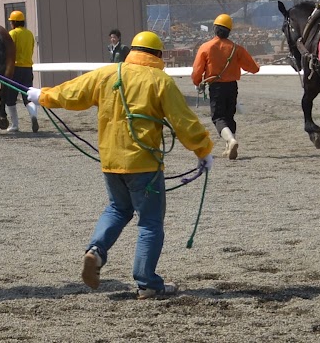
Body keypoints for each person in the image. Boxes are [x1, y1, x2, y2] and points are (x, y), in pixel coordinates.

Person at [23, 31, 214, 299]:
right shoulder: (160, 80)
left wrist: (42, 95)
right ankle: (147, 282)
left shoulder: (108, 74)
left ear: (132, 50)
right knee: (149, 222)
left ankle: (96, 251)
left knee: (117, 209)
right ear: (158, 55)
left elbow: (72, 92)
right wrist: (203, 150)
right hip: (144, 164)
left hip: (111, 161)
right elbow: (183, 121)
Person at [191, 14, 259, 160]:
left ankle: (230, 141)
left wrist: (197, 82)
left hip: (216, 87)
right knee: (229, 116)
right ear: (229, 31)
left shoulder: (206, 47)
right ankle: (229, 148)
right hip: (232, 86)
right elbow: (253, 68)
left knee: (218, 118)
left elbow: (197, 71)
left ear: (214, 29)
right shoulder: (236, 48)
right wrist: (255, 67)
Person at [5, 10, 39, 132]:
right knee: (28, 97)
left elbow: (8, 51)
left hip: (15, 69)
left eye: (11, 22)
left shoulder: (12, 34)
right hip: (28, 69)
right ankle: (33, 116)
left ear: (14, 22)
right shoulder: (29, 34)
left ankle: (15, 125)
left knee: (10, 99)